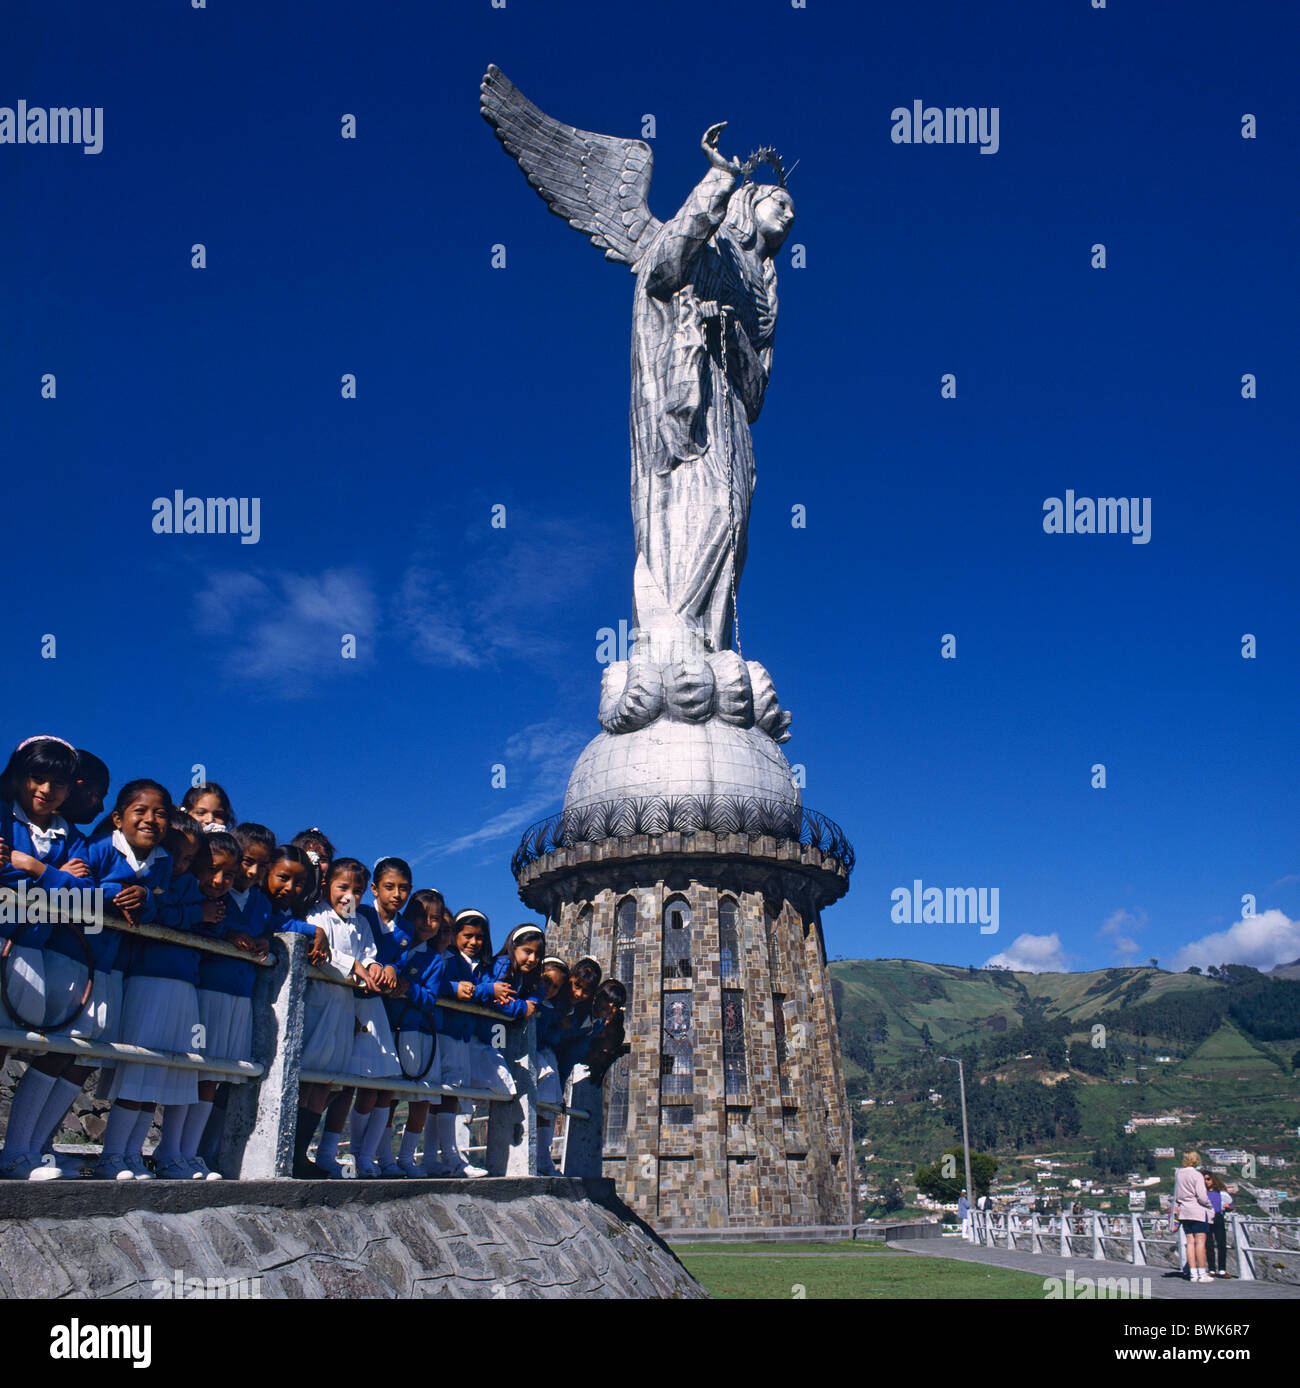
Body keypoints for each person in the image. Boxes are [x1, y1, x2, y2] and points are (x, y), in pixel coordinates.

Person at [86, 780, 190, 1180]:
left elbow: (165, 907)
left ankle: (127, 1155)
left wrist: (148, 901)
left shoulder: (163, 863)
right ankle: (104, 1154)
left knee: (151, 1067)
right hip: (89, 960)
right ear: (118, 818)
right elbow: (77, 889)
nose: (150, 819)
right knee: (74, 1056)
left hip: (115, 967)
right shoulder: (100, 848)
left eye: (160, 812)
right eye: (140, 811)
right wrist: (112, 891)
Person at [0, 736, 93, 1178]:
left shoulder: (71, 836)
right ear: (18, 775)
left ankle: (15, 1155)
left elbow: (87, 900)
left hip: (31, 952)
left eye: (58, 782)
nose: (45, 790)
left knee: (5, 1048)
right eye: (37, 777)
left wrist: (32, 868)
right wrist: (59, 879)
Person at [192, 825, 273, 1177]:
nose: (252, 873)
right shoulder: (213, 894)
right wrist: (229, 934)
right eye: (248, 862)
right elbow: (202, 927)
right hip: (207, 990)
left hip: (241, 996)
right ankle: (181, 1151)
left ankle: (207, 1154)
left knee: (225, 1075)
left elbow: (276, 929)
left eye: (261, 865)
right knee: (198, 1071)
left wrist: (268, 942)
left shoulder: (261, 902)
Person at [1173, 1151, 1216, 1283]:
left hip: (1184, 1212)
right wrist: (1210, 1205)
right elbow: (1202, 1197)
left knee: (1190, 1242)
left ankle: (1193, 1273)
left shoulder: (1178, 1174)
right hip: (1197, 1211)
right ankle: (1202, 1273)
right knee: (1200, 1243)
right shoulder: (1197, 1175)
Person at [1204, 1172, 1234, 1278]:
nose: (1206, 1181)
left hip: (1218, 1217)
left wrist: (1228, 1208)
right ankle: (1211, 1269)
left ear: (1213, 1180)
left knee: (1221, 1243)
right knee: (1208, 1245)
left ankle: (1222, 1269)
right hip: (1205, 1218)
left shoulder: (1221, 1193)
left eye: (1208, 1179)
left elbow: (1230, 1206)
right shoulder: (1202, 1193)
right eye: (1205, 1179)